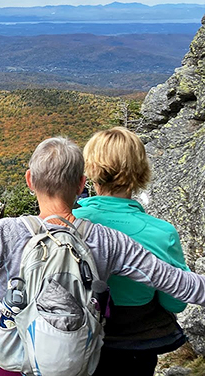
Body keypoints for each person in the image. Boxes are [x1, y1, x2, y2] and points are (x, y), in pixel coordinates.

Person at [0, 137, 205, 375]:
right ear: (81, 183)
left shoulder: (3, 233)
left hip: (15, 360)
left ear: (29, 180)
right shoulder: (108, 240)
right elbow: (186, 287)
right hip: (78, 360)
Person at [73, 127, 188, 375]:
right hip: (136, 348)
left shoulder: (67, 223)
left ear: (92, 169)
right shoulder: (161, 233)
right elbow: (175, 302)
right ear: (139, 170)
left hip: (73, 345)